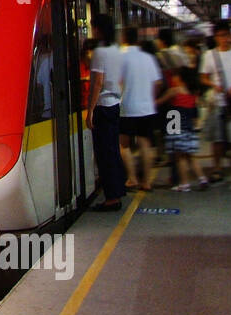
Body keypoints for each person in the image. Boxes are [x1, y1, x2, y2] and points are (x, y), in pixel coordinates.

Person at [200, 20, 231, 180]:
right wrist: (214, 85)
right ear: (215, 37)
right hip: (218, 102)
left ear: (230, 35)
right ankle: (217, 167)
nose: (223, 38)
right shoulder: (210, 55)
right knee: (218, 137)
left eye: (225, 34)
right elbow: (203, 77)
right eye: (219, 35)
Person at [86, 14, 127, 211]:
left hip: (102, 106)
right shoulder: (117, 50)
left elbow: (97, 83)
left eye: (93, 27)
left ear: (99, 29)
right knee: (113, 150)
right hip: (115, 104)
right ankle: (118, 190)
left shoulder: (99, 53)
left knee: (104, 154)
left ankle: (112, 198)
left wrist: (90, 110)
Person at [118, 27, 162, 190]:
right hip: (147, 107)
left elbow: (116, 82)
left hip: (126, 107)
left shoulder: (120, 57)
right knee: (145, 144)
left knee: (124, 145)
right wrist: (150, 98)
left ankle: (132, 178)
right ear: (137, 39)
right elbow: (157, 83)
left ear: (123, 38)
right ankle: (147, 182)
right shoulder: (148, 58)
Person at [155, 66, 209, 191]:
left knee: (179, 158)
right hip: (189, 128)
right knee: (191, 155)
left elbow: (159, 102)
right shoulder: (191, 93)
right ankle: (202, 178)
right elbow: (195, 114)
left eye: (175, 76)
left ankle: (184, 184)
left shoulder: (174, 91)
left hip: (175, 126)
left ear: (180, 78)